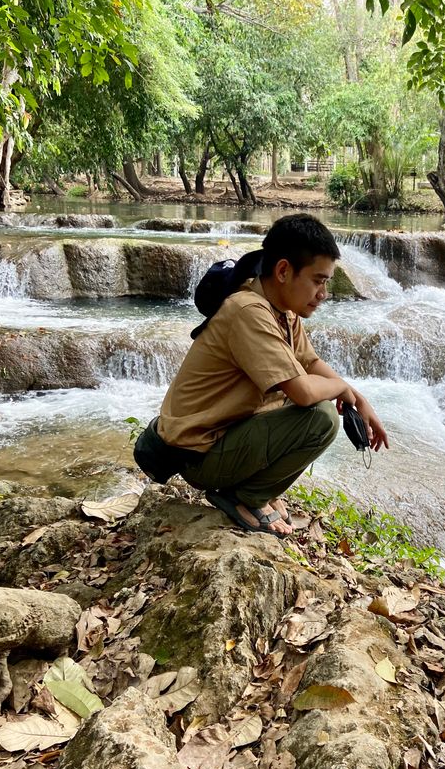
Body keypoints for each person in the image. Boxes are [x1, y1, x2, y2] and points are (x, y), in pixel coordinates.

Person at [157, 214, 388, 536]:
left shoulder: (283, 312)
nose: (323, 293)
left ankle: (253, 491)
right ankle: (244, 496)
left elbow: (309, 361)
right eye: (318, 281)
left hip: (222, 438)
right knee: (319, 417)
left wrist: (358, 398)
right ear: (283, 271)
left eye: (326, 283)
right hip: (198, 454)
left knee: (311, 407)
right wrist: (340, 389)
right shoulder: (248, 311)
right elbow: (304, 393)